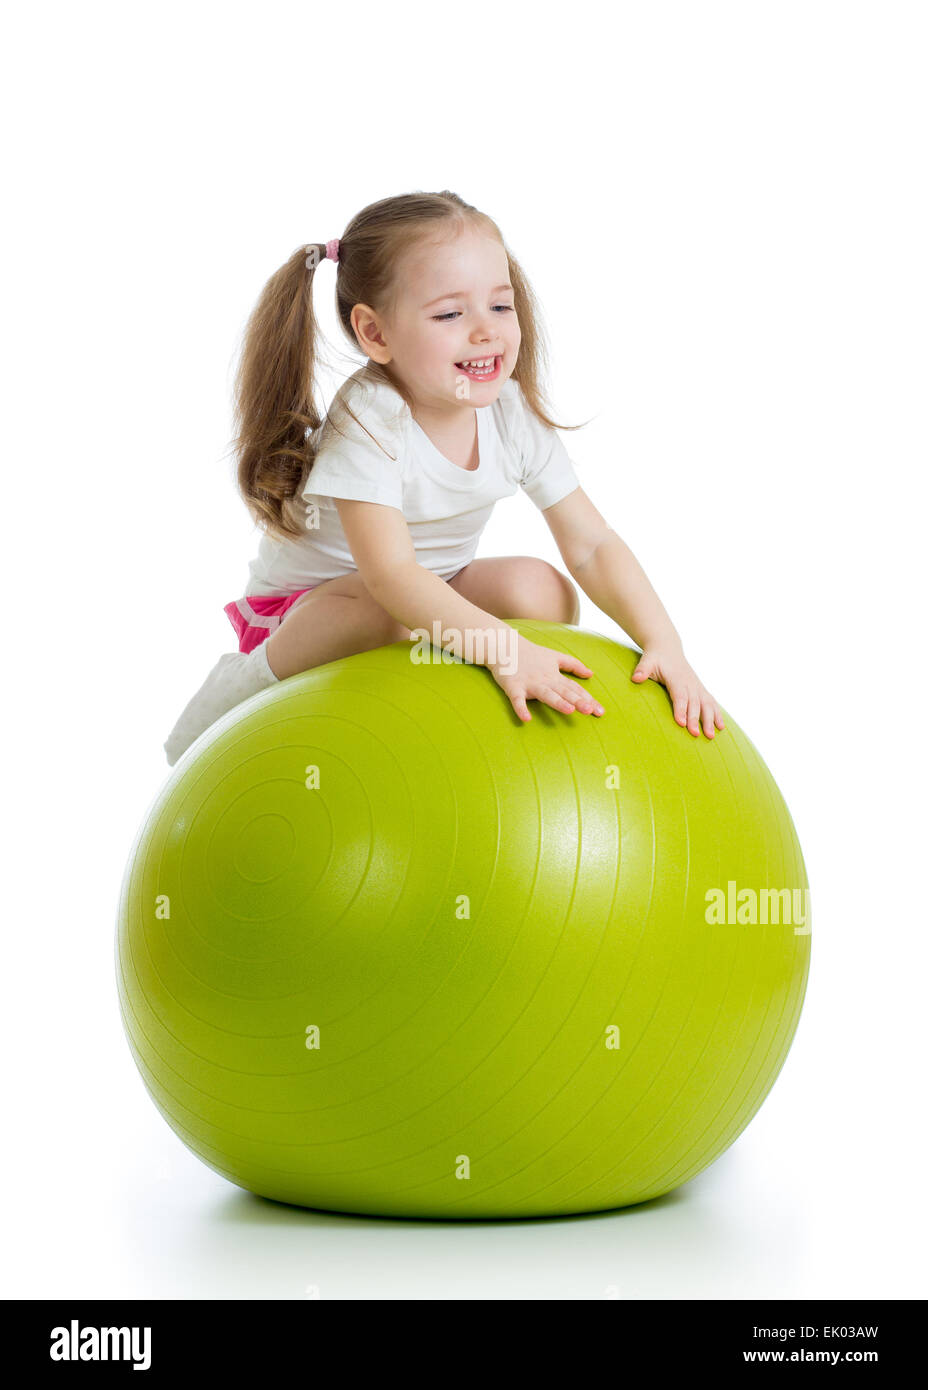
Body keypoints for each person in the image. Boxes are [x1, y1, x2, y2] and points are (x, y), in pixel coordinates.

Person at [164, 190, 724, 765]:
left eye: (500, 307)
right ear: (375, 334)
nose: (485, 332)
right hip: (313, 613)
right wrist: (499, 646)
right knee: (382, 617)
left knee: (541, 587)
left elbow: (591, 543)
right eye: (451, 314)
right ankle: (238, 693)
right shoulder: (371, 417)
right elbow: (391, 576)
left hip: (423, 598)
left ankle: (440, 708)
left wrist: (663, 641)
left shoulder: (508, 411)